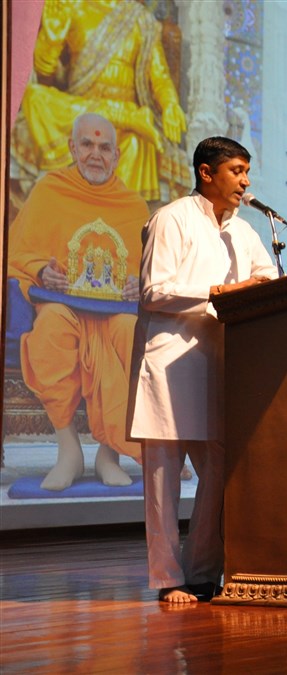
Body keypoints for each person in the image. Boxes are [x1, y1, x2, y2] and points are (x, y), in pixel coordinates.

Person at [129, 136, 277, 603]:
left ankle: (202, 573)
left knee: (217, 474)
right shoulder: (171, 219)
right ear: (206, 173)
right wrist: (220, 291)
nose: (246, 181)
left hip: (220, 365)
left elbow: (268, 284)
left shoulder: (245, 231)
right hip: (170, 363)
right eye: (236, 170)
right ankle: (167, 578)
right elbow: (154, 291)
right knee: (163, 480)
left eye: (247, 171)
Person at [7, 113, 147, 491]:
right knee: (51, 327)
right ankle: (69, 449)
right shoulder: (49, 190)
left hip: (112, 313)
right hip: (61, 304)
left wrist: (139, 284)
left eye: (104, 148)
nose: (95, 154)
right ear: (72, 147)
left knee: (130, 330)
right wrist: (41, 271)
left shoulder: (132, 205)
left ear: (117, 156)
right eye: (87, 144)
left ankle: (109, 453)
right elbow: (19, 252)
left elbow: (147, 270)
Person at [11, 0, 189, 201]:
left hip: (123, 132)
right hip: (78, 113)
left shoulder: (142, 20)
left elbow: (160, 76)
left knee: (135, 144)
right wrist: (51, 38)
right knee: (34, 96)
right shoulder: (75, 7)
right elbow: (46, 77)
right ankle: (124, 115)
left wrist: (170, 104)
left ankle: (123, 118)